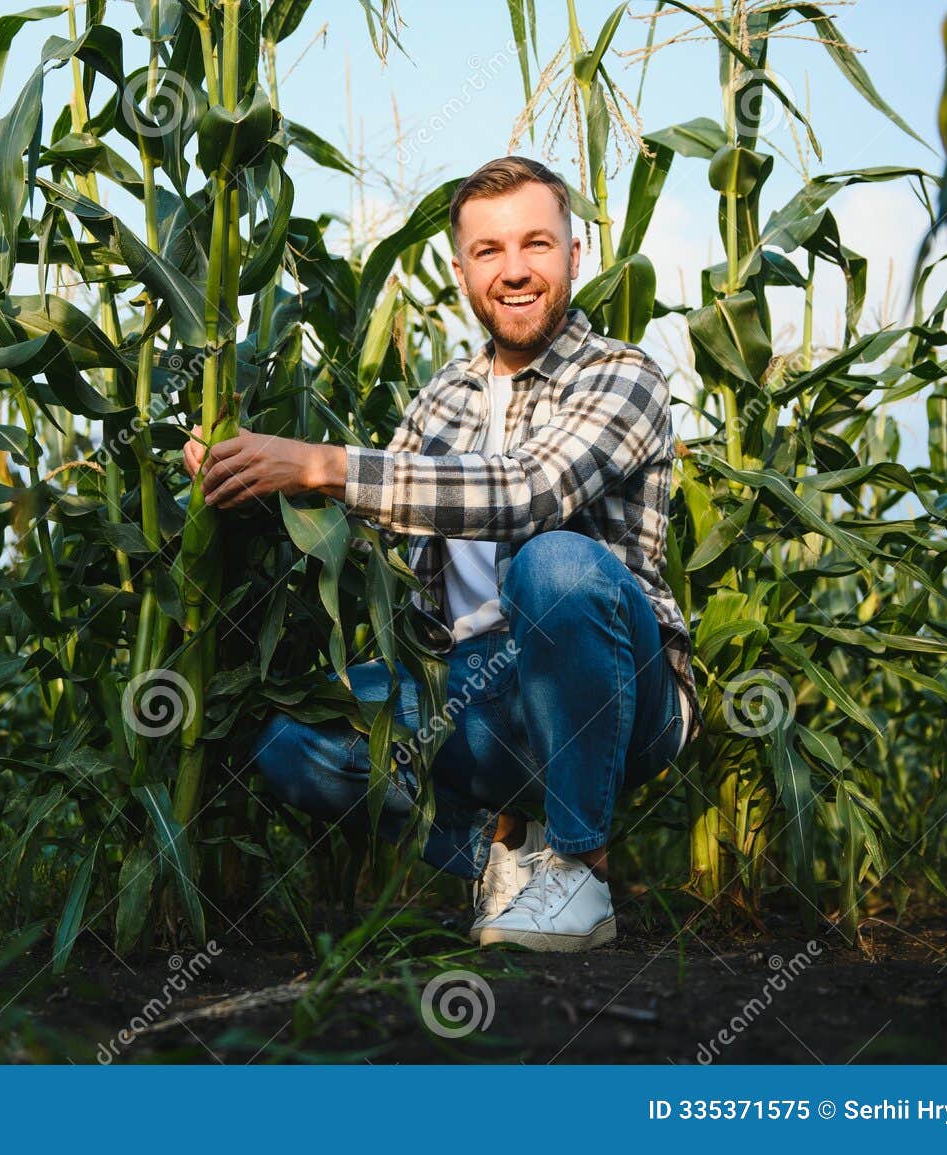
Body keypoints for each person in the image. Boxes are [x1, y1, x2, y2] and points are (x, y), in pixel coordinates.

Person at [181, 155, 698, 953]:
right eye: (489, 251)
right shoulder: (440, 399)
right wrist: (256, 478)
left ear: (576, 253)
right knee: (292, 738)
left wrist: (321, 461)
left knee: (553, 564)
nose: (516, 270)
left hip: (621, 695)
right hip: (476, 699)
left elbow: (528, 492)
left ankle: (584, 869)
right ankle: (505, 853)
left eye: (538, 244)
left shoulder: (625, 376)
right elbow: (374, 533)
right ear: (461, 269)